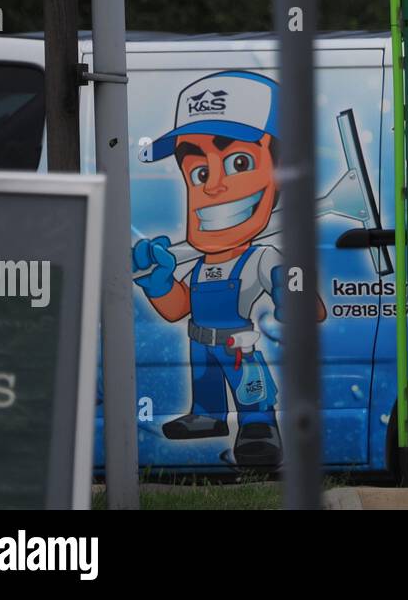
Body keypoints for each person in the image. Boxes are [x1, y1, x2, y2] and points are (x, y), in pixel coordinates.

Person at [132, 70, 324, 467]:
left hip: (237, 346)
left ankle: (258, 427)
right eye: (199, 173)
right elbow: (177, 308)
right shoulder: (200, 263)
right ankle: (208, 417)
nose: (213, 186)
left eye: (238, 162)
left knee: (249, 388)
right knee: (205, 388)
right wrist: (160, 283)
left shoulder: (260, 258)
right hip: (198, 341)